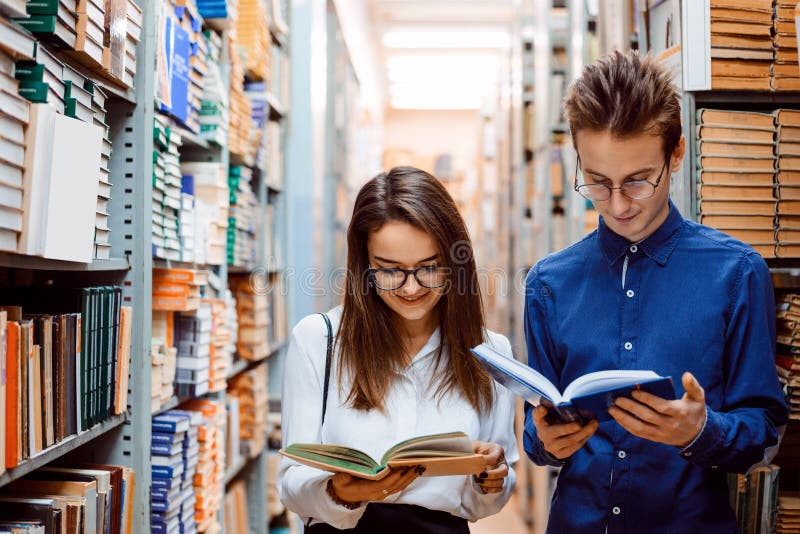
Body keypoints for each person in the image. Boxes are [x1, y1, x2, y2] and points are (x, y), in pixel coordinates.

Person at [523, 50, 789, 532]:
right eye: (598, 183)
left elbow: (763, 430)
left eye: (639, 181)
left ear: (677, 155)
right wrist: (542, 440)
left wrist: (702, 430)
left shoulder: (737, 273)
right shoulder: (548, 283)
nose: (619, 204)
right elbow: (535, 425)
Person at [278, 166, 517, 532]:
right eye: (389, 270)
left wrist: (492, 480)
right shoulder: (318, 340)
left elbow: (491, 493)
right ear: (365, 266)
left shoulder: (491, 352)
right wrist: (339, 492)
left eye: (429, 268)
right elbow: (291, 483)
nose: (410, 288)